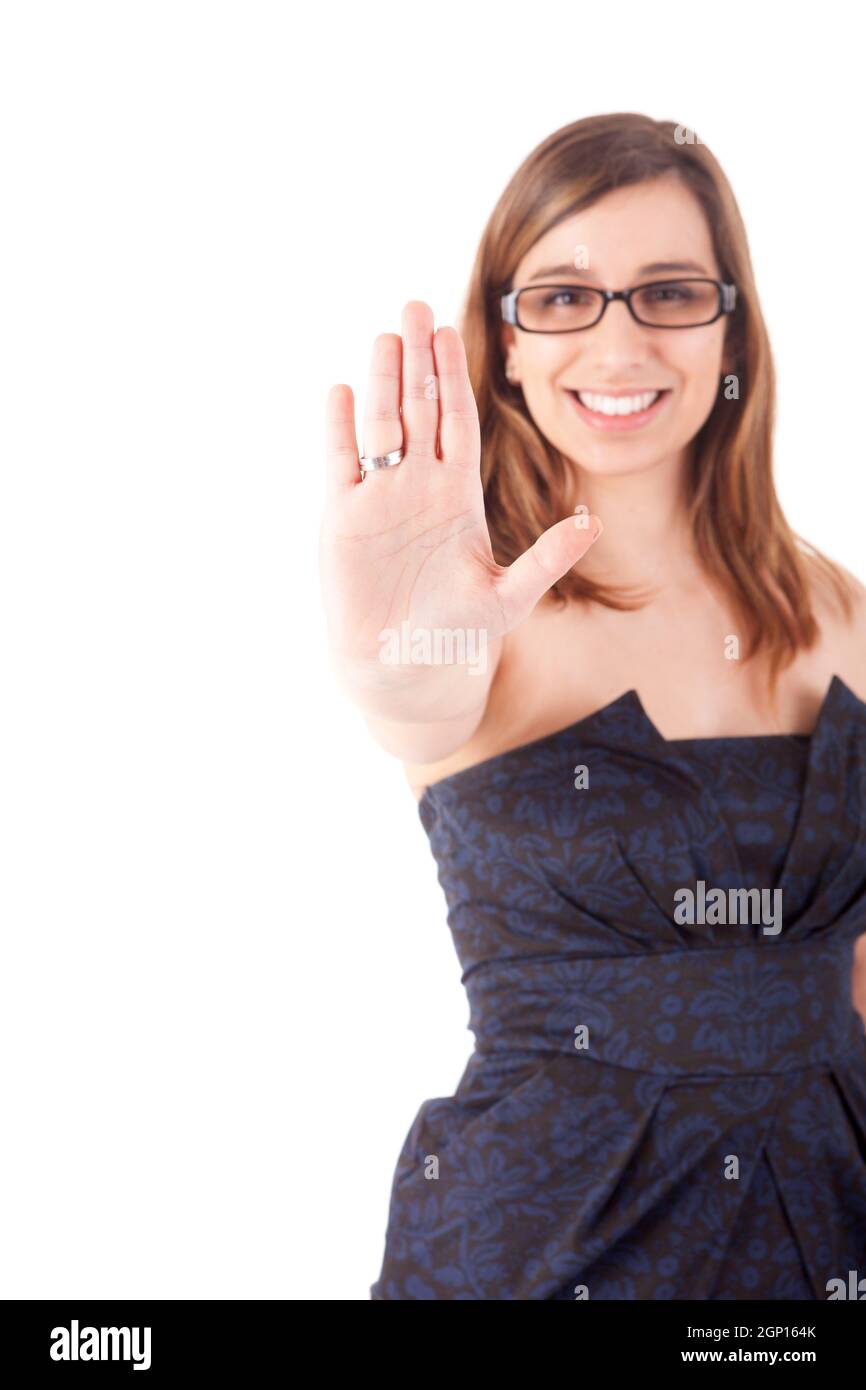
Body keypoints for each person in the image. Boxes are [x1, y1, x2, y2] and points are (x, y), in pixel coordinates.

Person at [319, 113, 866, 1300]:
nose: (616, 343)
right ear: (505, 342)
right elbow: (409, 695)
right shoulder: (474, 626)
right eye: (562, 298)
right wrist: (392, 657)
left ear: (729, 325)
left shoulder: (841, 613)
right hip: (543, 1248)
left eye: (666, 292)